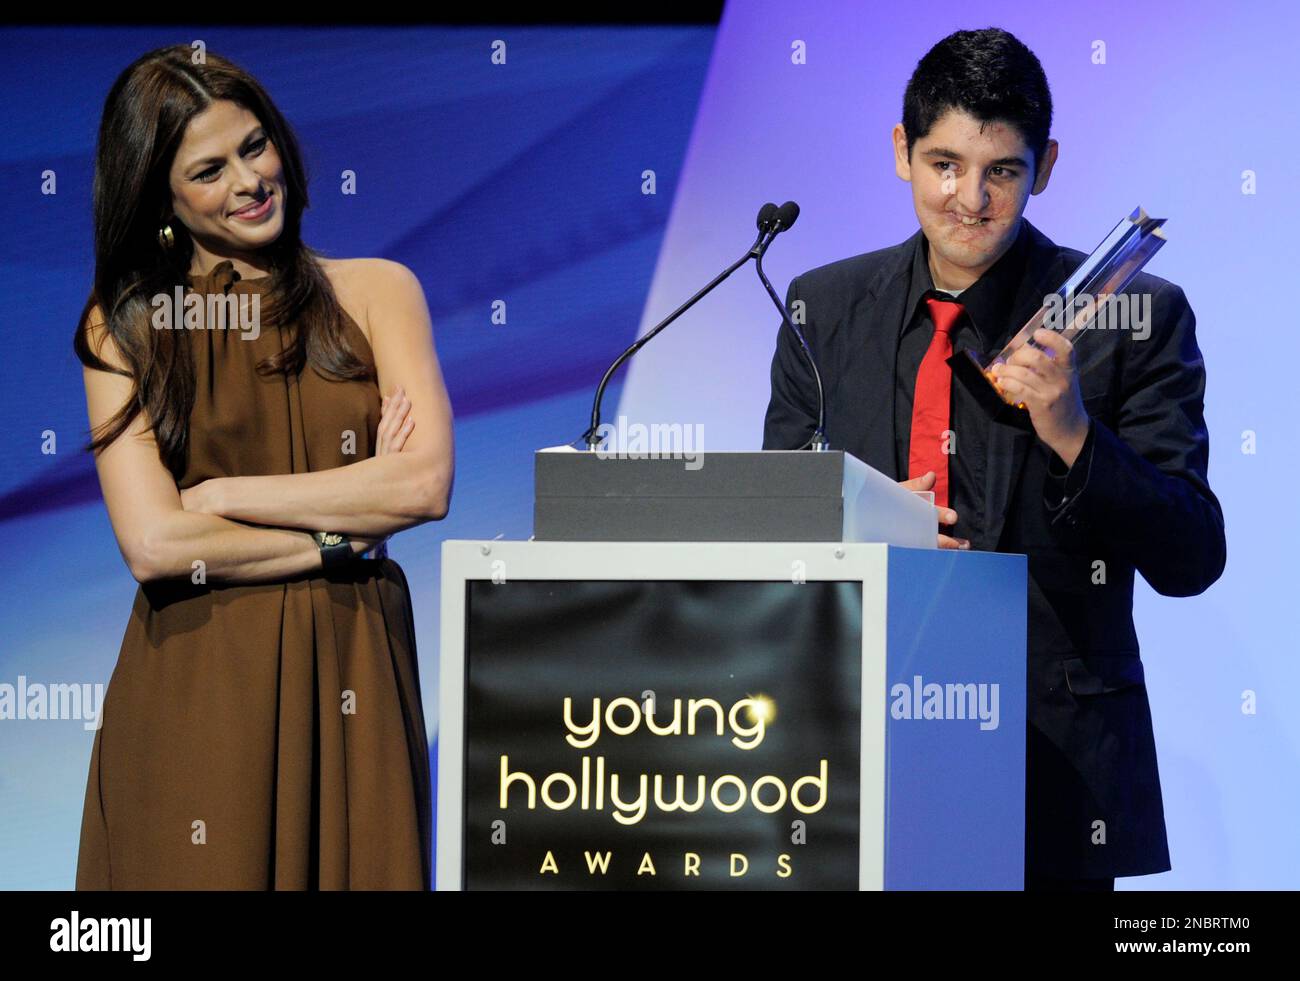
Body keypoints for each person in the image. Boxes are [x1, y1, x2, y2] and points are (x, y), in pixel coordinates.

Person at [762, 28, 1225, 890]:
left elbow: (1193, 554)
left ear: (1044, 165)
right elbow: (772, 530)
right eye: (944, 164)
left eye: (1001, 171)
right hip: (849, 756)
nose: (969, 198)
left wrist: (1073, 432)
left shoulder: (1135, 318)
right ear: (902, 152)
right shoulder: (819, 309)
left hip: (1048, 774)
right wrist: (867, 534)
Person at [72, 45, 454, 889]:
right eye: (209, 169)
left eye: (255, 146)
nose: (249, 181)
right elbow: (157, 544)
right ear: (159, 197)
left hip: (356, 670)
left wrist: (226, 496)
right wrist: (341, 534)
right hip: (200, 686)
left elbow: (423, 485)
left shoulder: (380, 291)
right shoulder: (122, 328)